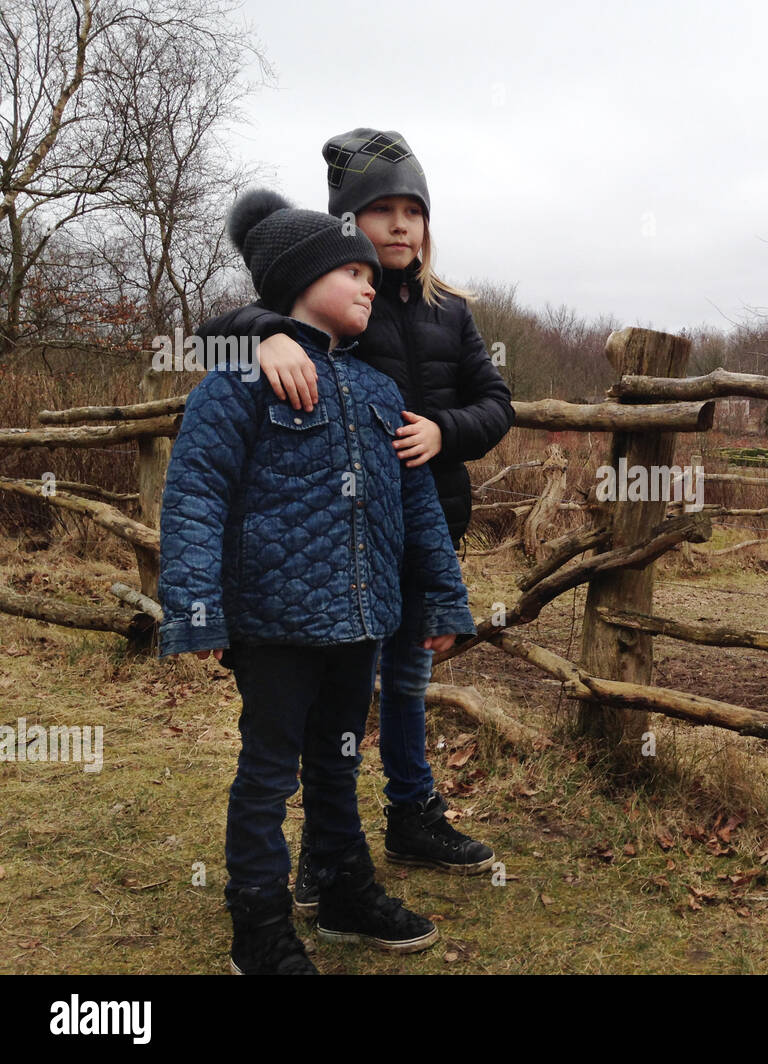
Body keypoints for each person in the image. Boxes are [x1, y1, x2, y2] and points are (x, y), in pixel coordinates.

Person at [159, 189, 479, 974]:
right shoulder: (237, 383)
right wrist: (196, 610)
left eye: (375, 276)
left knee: (338, 762)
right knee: (268, 776)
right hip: (272, 626)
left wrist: (442, 596)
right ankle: (260, 930)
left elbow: (418, 509)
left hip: (361, 621)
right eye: (353, 272)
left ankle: (339, 887)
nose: (372, 285)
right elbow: (193, 495)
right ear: (301, 279)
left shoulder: (378, 395)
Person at [196, 130, 513, 913]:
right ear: (344, 228)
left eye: (414, 212)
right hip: (337, 541)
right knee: (339, 700)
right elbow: (216, 334)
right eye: (382, 212)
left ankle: (412, 814)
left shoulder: (452, 312)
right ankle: (323, 859)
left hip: (425, 514)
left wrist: (446, 430)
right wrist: (265, 334)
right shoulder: (332, 302)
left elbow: (496, 403)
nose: (401, 226)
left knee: (406, 683)